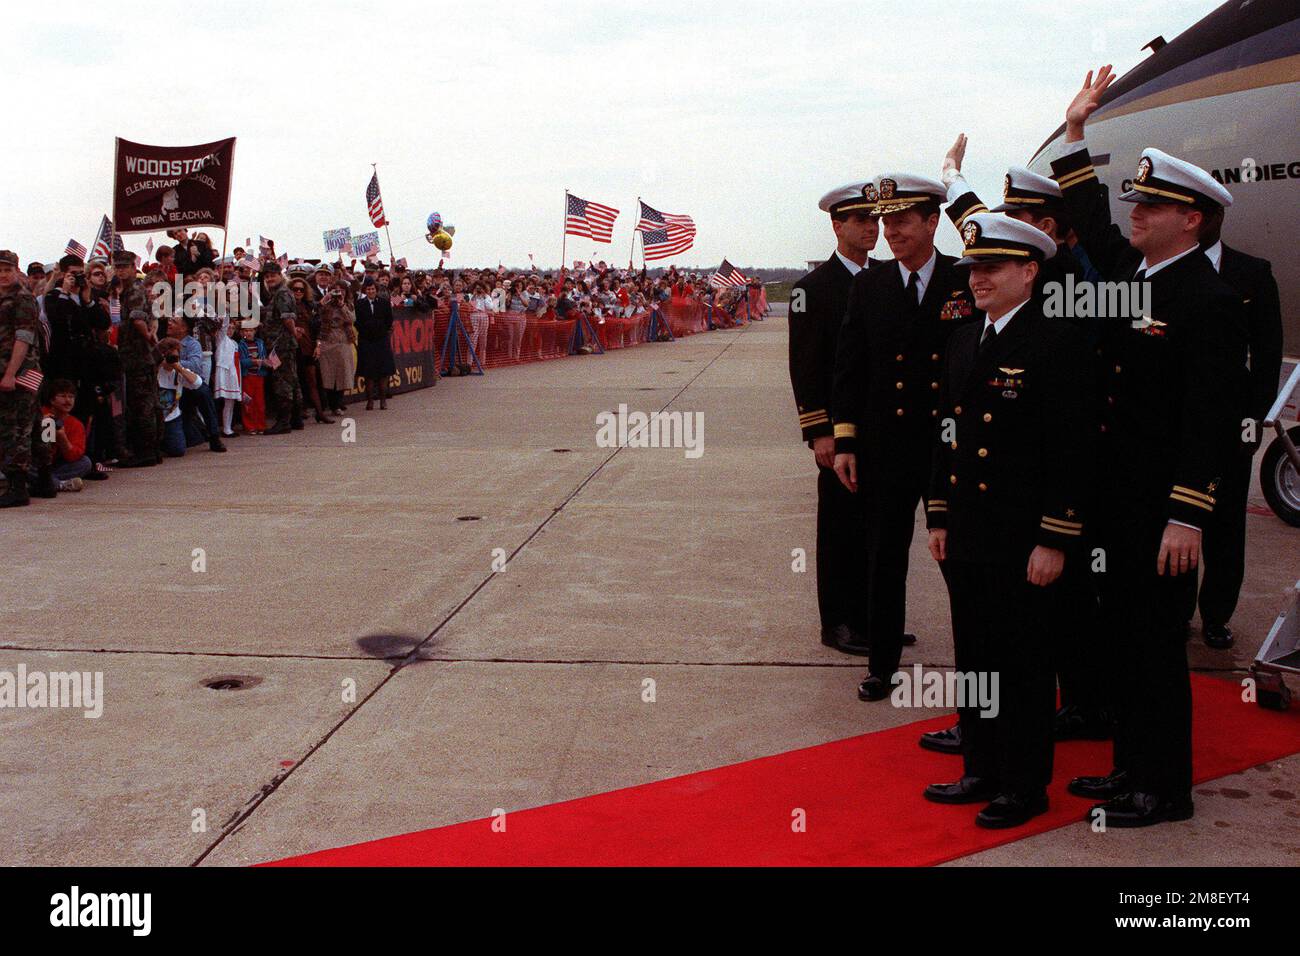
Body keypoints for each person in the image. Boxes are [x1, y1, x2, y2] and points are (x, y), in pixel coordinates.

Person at [1050, 65, 1248, 828]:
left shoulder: (1208, 300)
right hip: (1121, 505)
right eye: (1139, 200)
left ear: (1192, 219)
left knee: (1158, 652)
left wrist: (1188, 517)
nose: (1138, 213)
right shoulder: (1139, 274)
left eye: (1155, 204)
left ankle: (1164, 789)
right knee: (1126, 643)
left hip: (1164, 515)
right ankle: (1130, 765)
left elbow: (1211, 421)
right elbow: (1095, 222)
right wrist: (1075, 137)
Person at [923, 214, 1092, 828]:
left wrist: (1056, 536)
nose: (978, 279)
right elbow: (944, 434)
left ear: (1029, 270)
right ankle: (981, 766)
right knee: (976, 657)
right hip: (968, 531)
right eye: (973, 268)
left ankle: (1023, 785)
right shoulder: (964, 339)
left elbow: (1072, 450)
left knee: (1022, 664)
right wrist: (937, 514)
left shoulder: (1057, 342)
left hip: (1024, 537)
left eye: (992, 268)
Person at [831, 173, 982, 701]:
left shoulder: (965, 282)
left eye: (900, 220)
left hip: (950, 447)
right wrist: (845, 441)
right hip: (886, 446)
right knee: (884, 557)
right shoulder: (869, 285)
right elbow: (849, 367)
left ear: (932, 221)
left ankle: (975, 675)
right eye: (883, 221)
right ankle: (881, 664)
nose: (889, 231)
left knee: (958, 563)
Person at [1180, 215, 1284, 649]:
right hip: (1178, 424)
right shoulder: (1163, 269)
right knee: (1177, 519)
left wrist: (1253, 419)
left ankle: (1217, 615)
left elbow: (1267, 352)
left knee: (1225, 526)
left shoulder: (1251, 273)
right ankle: (1178, 611)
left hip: (1229, 425)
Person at [787, 181, 880, 656]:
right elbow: (805, 366)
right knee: (841, 528)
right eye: (861, 220)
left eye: (876, 220)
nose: (872, 228)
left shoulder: (887, 279)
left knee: (877, 528)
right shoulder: (812, 290)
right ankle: (839, 623)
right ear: (836, 224)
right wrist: (819, 432)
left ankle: (872, 618)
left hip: (881, 425)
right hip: (838, 431)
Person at [0, 250, 44, 507]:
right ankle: (44, 480)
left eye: (7, 270)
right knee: (32, 426)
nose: (3, 275)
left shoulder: (22, 299)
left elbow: (23, 338)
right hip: (11, 371)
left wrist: (9, 374)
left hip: (23, 371)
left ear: (16, 271)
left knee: (16, 428)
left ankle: (18, 487)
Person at [258, 260, 303, 434]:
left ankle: (284, 421)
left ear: (280, 275)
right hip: (281, 344)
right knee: (292, 380)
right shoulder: (278, 294)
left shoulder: (282, 294)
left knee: (281, 381)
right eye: (267, 276)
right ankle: (296, 419)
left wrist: (293, 333)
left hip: (280, 346)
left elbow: (287, 318)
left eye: (272, 275)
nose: (269, 279)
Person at [38, 378, 100, 490]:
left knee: (85, 462)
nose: (68, 401)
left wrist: (62, 438)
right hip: (37, 463)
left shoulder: (76, 424)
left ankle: (46, 483)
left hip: (56, 465)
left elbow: (75, 455)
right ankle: (59, 485)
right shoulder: (40, 415)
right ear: (52, 400)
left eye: (71, 397)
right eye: (62, 396)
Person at [155, 337, 202, 457]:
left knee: (178, 450)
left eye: (176, 357)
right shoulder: (155, 370)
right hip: (154, 417)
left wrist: (179, 367)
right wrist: (160, 364)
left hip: (172, 417)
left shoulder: (179, 371)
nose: (173, 360)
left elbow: (197, 383)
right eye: (170, 356)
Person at [354, 277, 395, 409]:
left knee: (384, 372)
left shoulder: (384, 303)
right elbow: (357, 322)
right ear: (365, 290)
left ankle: (383, 400)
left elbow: (389, 320)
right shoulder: (359, 304)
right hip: (366, 341)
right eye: (368, 289)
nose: (371, 291)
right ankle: (370, 400)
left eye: (372, 289)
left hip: (381, 340)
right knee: (368, 373)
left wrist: (381, 330)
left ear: (376, 290)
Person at [317, 285, 357, 414]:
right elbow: (316, 318)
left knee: (343, 373)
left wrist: (342, 305)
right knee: (328, 374)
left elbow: (352, 319)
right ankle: (330, 404)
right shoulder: (325, 306)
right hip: (327, 341)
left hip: (343, 341)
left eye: (341, 292)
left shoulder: (347, 305)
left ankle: (338, 404)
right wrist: (322, 303)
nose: (338, 296)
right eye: (335, 292)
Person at [212, 317, 242, 437]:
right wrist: (226, 311)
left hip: (233, 373)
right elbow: (223, 327)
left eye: (233, 328)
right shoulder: (221, 338)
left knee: (230, 402)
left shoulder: (234, 343)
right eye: (229, 327)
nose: (230, 330)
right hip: (223, 372)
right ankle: (221, 428)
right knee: (222, 402)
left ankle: (227, 428)